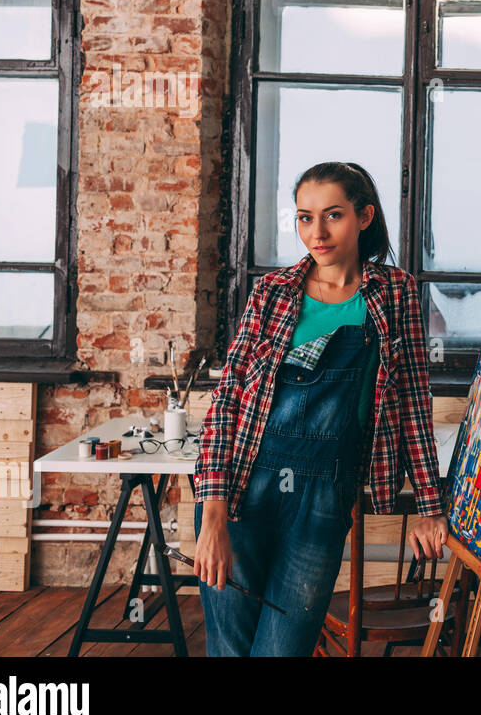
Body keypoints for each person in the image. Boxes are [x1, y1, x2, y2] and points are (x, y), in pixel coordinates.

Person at [192, 160, 448, 656]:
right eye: (305, 217)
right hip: (242, 490)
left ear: (364, 216)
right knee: (229, 649)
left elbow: (414, 400)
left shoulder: (395, 294)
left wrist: (429, 507)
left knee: (283, 649)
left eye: (333, 215)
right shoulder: (271, 293)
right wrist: (213, 516)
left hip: (324, 499)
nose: (318, 231)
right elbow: (227, 402)